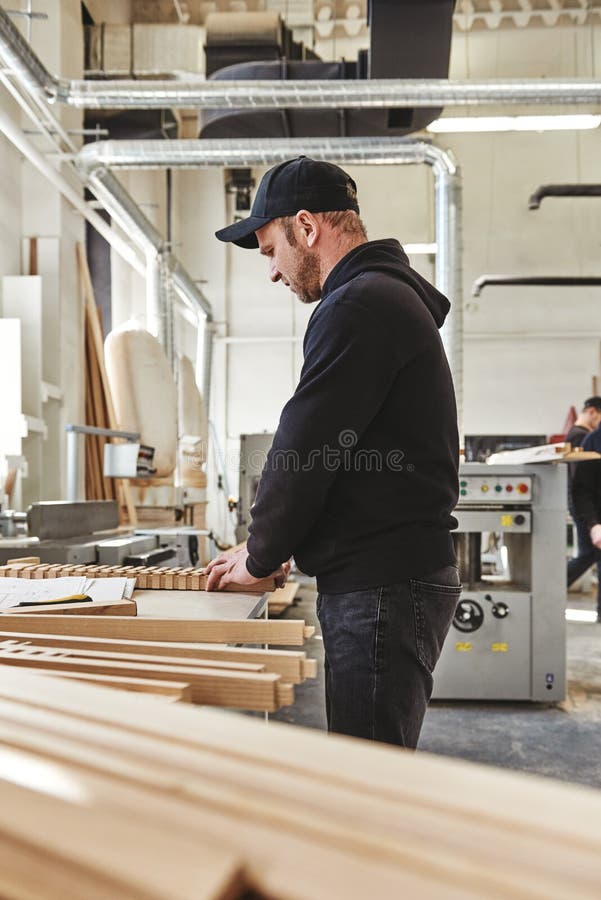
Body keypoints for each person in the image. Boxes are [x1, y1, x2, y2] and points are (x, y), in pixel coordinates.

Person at [206, 156, 461, 748]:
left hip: (382, 585)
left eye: (270, 250)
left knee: (365, 775)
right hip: (390, 576)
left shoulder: (357, 305)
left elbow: (307, 442)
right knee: (372, 764)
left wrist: (264, 553)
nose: (272, 272)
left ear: (306, 226)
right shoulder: (380, 298)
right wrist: (279, 540)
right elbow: (342, 449)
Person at [566, 398, 601, 608]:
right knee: (589, 554)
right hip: (589, 509)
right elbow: (582, 486)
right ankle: (552, 587)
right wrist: (593, 522)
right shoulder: (586, 438)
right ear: (592, 412)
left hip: (587, 508)